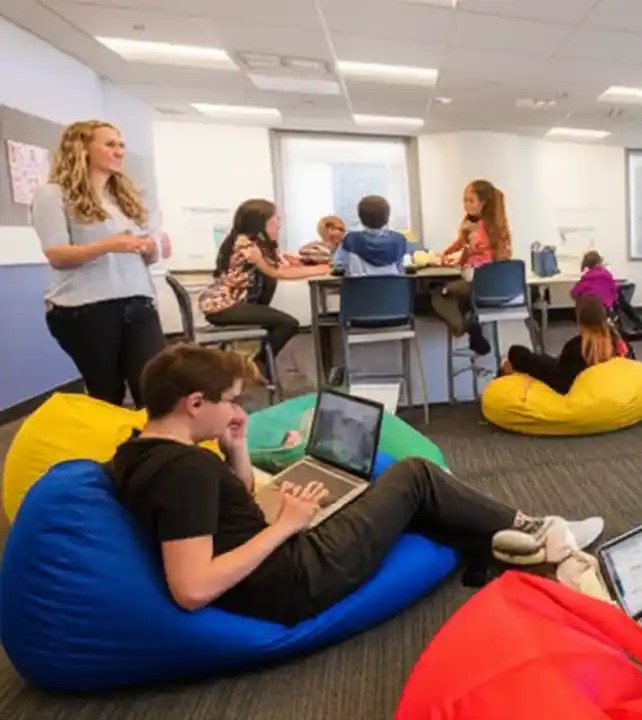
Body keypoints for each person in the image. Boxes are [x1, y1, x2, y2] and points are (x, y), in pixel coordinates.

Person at [108, 345, 604, 626]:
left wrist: (235, 450)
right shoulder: (183, 473)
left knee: (391, 491)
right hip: (298, 576)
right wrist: (287, 526)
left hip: (282, 553)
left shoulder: (140, 452)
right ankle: (538, 532)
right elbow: (192, 590)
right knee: (415, 474)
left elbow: (229, 507)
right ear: (195, 404)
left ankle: (505, 549)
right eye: (232, 402)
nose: (240, 412)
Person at [32, 119, 166, 407]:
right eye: (110, 144)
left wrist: (150, 247)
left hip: (138, 302)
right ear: (82, 148)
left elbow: (148, 256)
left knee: (155, 388)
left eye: (121, 145)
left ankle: (152, 450)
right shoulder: (53, 195)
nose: (119, 152)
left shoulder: (121, 200)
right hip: (86, 308)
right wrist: (109, 245)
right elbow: (57, 254)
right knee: (107, 394)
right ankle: (109, 450)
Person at [199, 199, 329, 370]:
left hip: (230, 304)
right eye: (275, 220)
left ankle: (254, 365)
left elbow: (284, 263)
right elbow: (278, 272)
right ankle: (257, 367)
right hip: (224, 306)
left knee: (280, 322)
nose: (279, 225)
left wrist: (313, 260)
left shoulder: (259, 244)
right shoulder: (247, 246)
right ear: (260, 224)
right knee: (288, 324)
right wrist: (323, 269)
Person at [431, 179, 512, 355]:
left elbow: (468, 250)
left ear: (483, 203)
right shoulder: (500, 225)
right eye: (464, 200)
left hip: (476, 280)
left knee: (440, 292)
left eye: (470, 200)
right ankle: (472, 322)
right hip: (496, 286)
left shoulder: (476, 229)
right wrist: (449, 254)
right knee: (465, 298)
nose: (466, 205)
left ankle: (462, 326)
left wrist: (452, 260)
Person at [503, 295, 632, 395]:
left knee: (518, 352)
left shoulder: (576, 347)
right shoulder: (618, 342)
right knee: (543, 358)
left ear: (579, 319)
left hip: (562, 379)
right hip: (575, 374)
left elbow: (560, 382)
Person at [332, 195, 408, 277]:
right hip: (394, 289)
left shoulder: (351, 240)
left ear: (360, 218)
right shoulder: (399, 240)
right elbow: (402, 268)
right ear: (387, 217)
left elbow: (338, 265)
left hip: (360, 289)